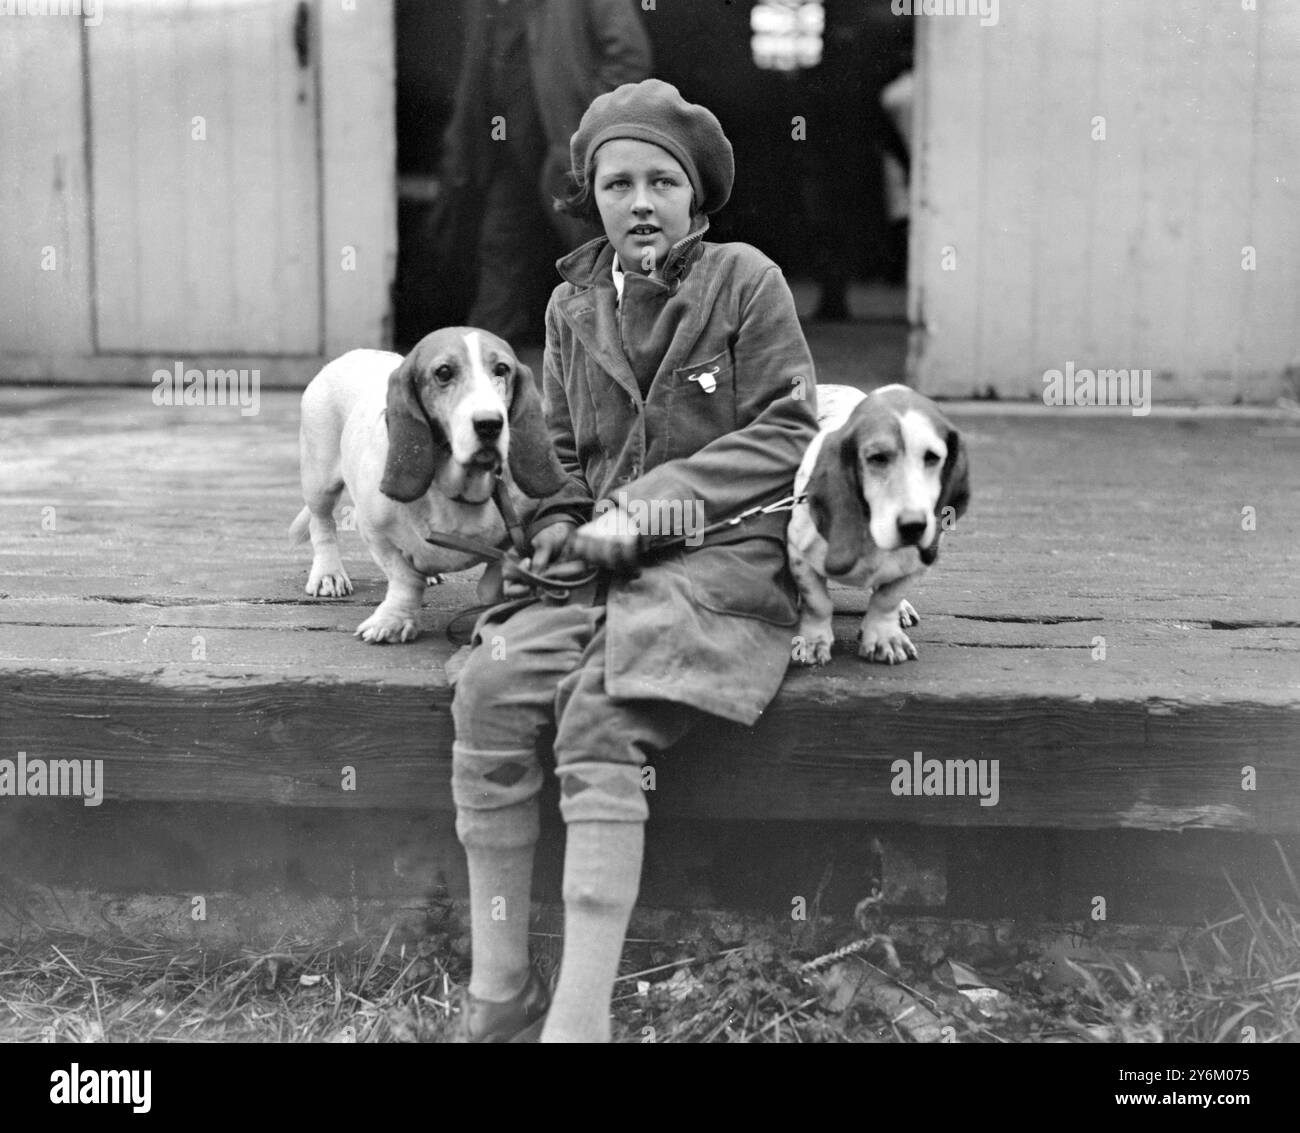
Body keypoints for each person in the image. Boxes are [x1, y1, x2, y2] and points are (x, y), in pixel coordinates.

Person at [449, 79, 819, 1043]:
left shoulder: (746, 281)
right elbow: (556, 455)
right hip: (596, 563)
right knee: (490, 687)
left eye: (663, 181)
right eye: (618, 184)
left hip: (719, 563)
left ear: (698, 198)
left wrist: (650, 509)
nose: (640, 203)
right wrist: (555, 524)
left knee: (602, 708)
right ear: (592, 198)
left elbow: (789, 430)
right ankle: (498, 992)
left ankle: (580, 1022)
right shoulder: (573, 306)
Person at [440, 0, 652, 343]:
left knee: (597, 264)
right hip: (509, 151)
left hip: (570, 153)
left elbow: (630, 59)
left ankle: (612, 372)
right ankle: (483, 371)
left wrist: (588, 123)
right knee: (499, 249)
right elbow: (476, 73)